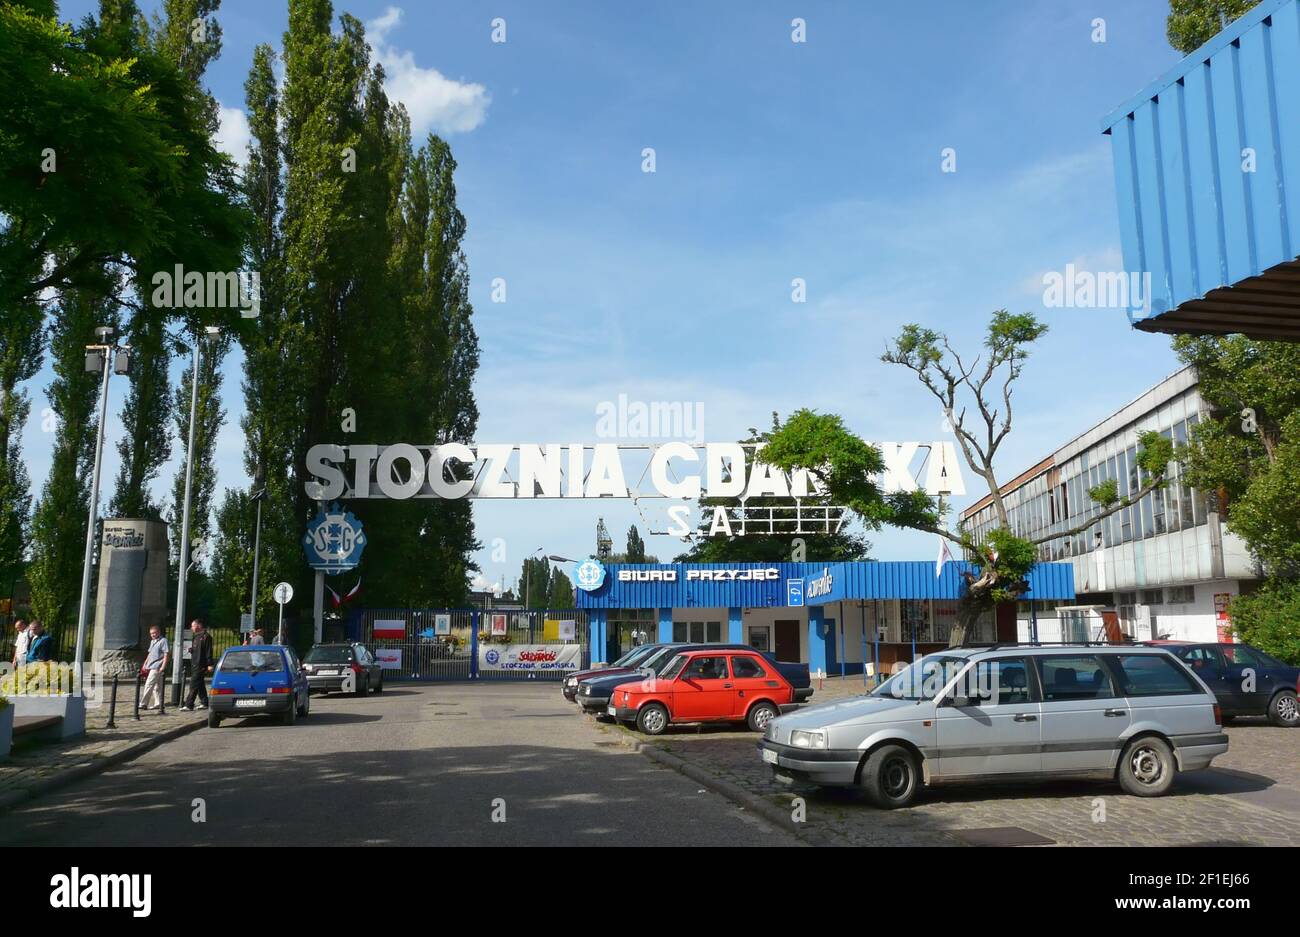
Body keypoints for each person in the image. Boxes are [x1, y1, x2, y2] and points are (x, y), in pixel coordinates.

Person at [182, 619, 212, 710]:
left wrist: (210, 664)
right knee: (200, 684)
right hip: (194, 663)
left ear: (199, 625)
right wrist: (192, 650)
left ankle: (189, 704)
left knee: (193, 684)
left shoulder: (206, 636)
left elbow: (208, 651)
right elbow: (198, 649)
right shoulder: (196, 636)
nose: (191, 628)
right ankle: (204, 702)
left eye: (193, 626)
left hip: (201, 664)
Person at [140, 626, 169, 710]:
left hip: (157, 666)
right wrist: (145, 663)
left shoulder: (163, 641)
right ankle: (159, 703)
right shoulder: (152, 641)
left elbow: (166, 654)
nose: (152, 635)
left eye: (154, 633)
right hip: (151, 665)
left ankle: (143, 703)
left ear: (158, 632)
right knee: (157, 686)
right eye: (151, 633)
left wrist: (163, 666)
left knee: (149, 684)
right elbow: (150, 653)